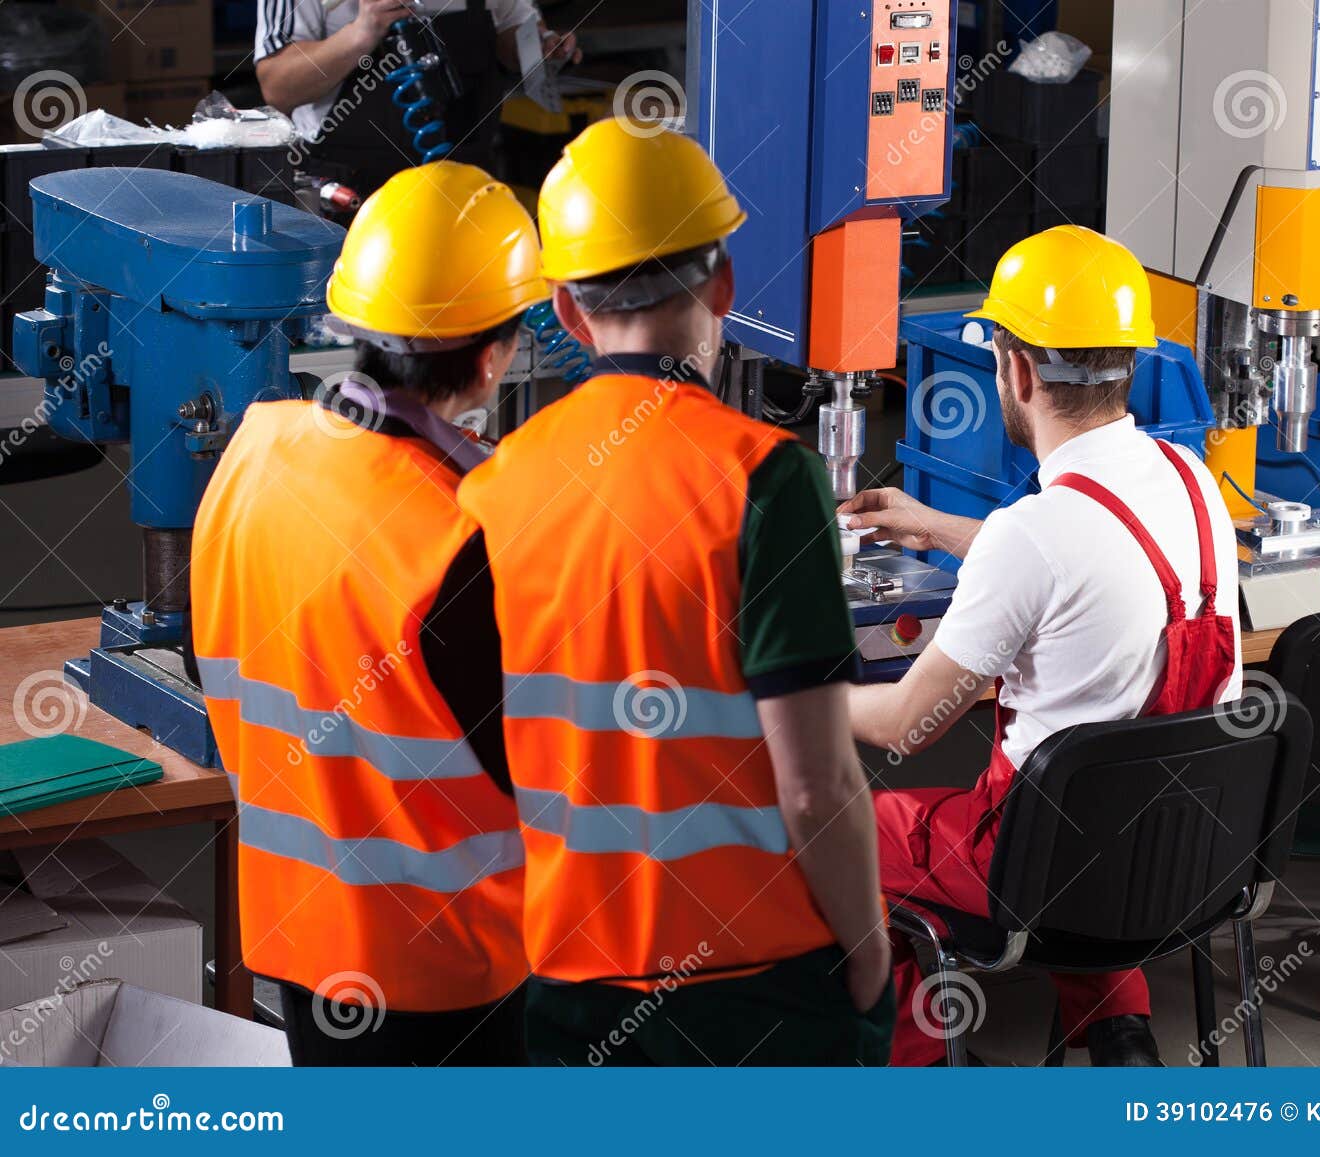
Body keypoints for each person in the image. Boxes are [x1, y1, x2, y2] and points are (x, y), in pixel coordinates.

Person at [456, 119, 894, 1066]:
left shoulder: (495, 484)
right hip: (762, 985)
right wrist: (869, 948)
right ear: (723, 285)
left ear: (568, 312)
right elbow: (817, 784)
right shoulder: (767, 478)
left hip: (570, 978)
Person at [841, 226, 1244, 1066]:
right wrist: (939, 528)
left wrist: (797, 698)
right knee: (1100, 799)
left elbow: (907, 726)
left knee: (844, 826)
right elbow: (1088, 558)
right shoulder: (1193, 479)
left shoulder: (1034, 532)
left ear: (1016, 371)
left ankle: (916, 1067)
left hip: (1044, 866)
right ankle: (1120, 1035)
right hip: (1186, 846)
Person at [190, 162, 547, 1065]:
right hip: (449, 970)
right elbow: (548, 772)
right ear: (493, 356)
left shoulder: (255, 451)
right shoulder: (462, 535)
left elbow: (218, 668)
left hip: (300, 942)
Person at [255, 0, 579, 197]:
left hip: (468, 187)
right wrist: (362, 33)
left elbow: (515, 30)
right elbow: (278, 86)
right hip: (352, 193)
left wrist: (541, 48)